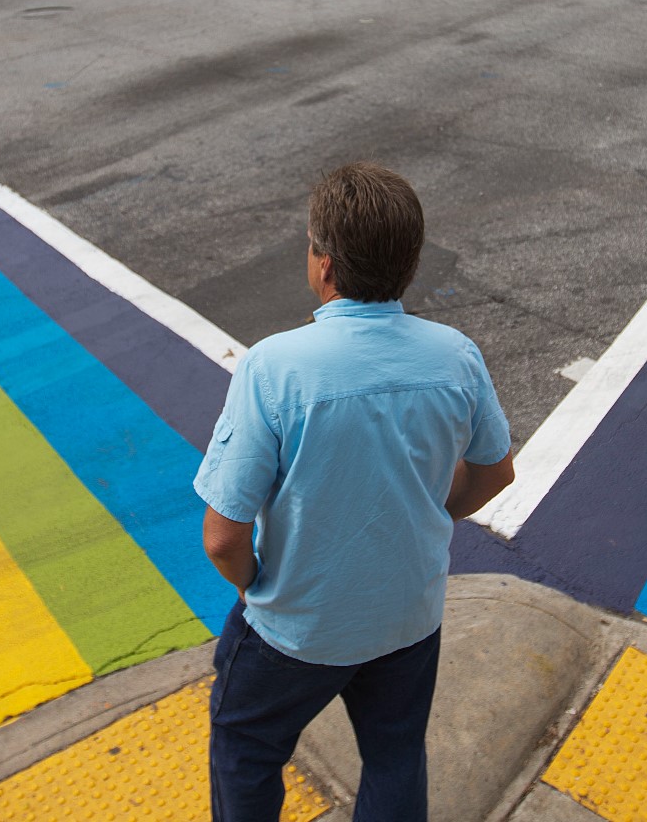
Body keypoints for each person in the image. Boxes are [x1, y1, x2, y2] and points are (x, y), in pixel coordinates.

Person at [195, 162, 515, 822]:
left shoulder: (274, 367)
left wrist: (257, 585)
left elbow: (222, 538)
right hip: (408, 612)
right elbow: (495, 472)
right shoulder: (455, 355)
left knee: (244, 744)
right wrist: (436, 509)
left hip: (299, 625)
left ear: (324, 266)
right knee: (395, 755)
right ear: (410, 263)